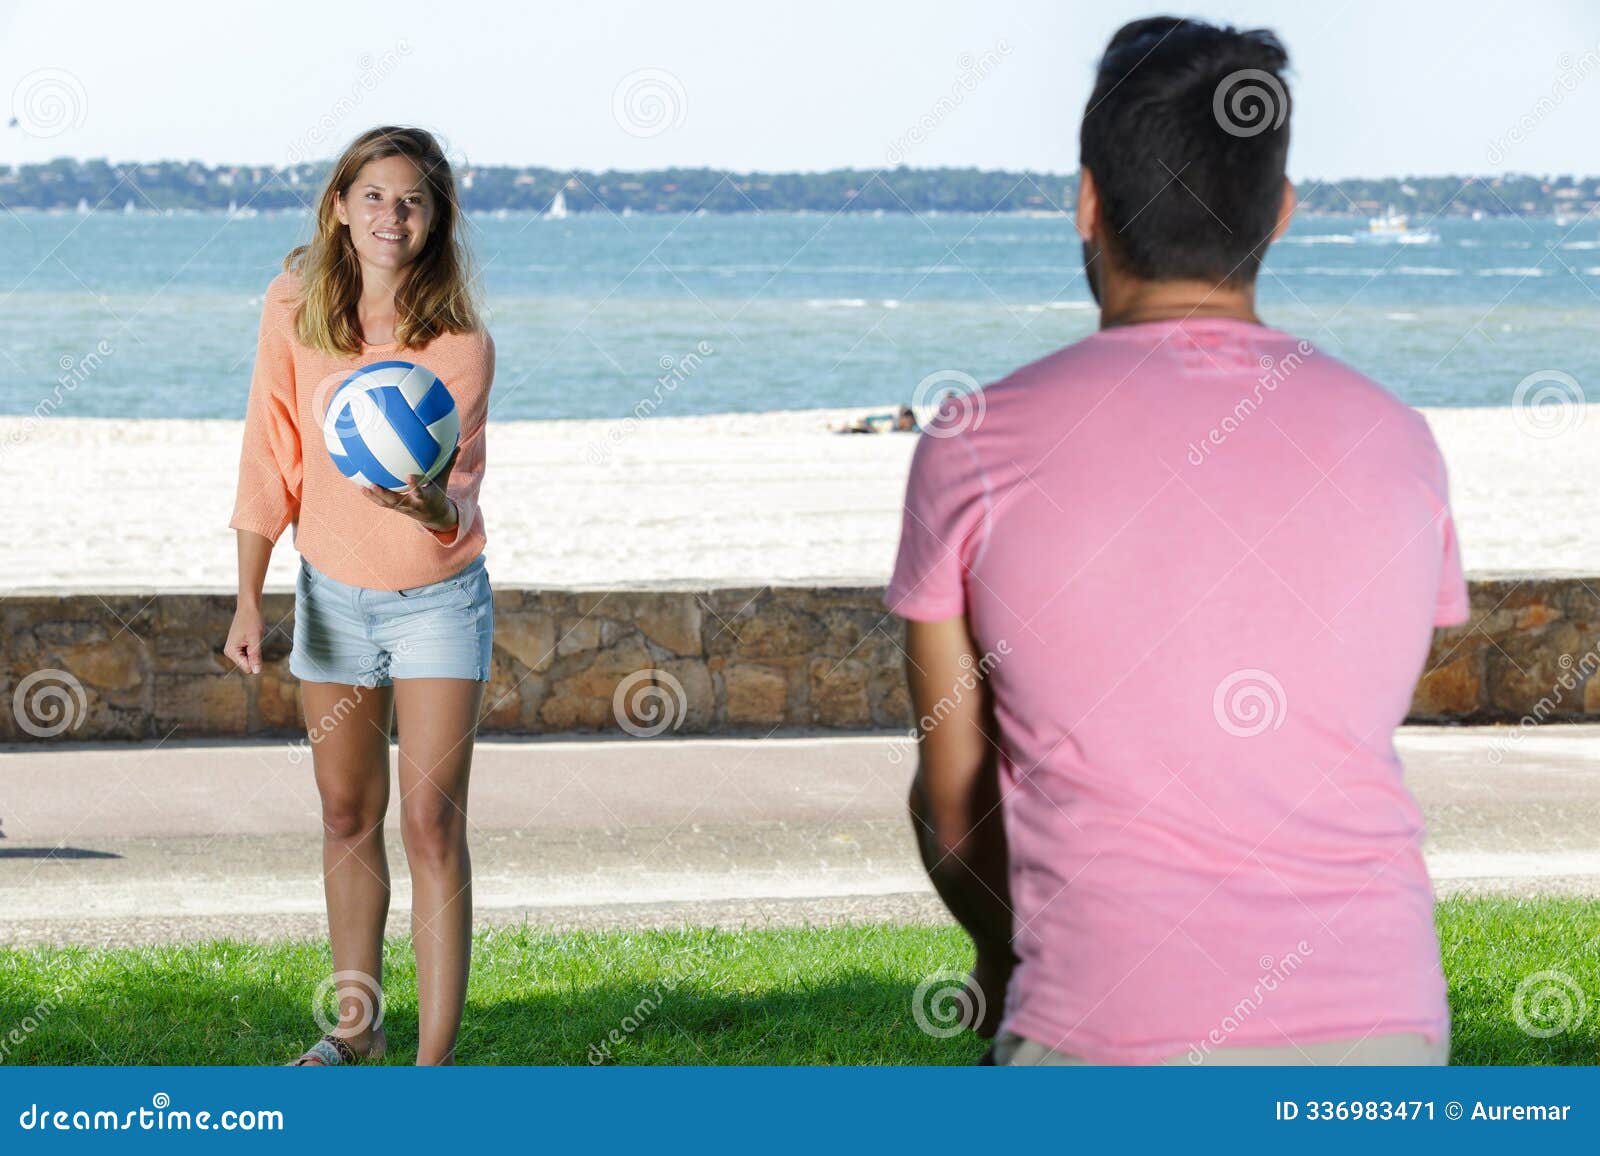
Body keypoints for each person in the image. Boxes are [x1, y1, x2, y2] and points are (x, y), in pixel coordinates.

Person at [887, 18, 1468, 1066]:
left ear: (1088, 204)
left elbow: (952, 794)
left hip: (1103, 1034)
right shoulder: (1398, 439)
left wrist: (1002, 957)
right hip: (1384, 1029)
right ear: (1280, 213)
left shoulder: (975, 440)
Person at [222, 125, 496, 1066]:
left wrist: (430, 508)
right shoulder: (293, 305)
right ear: (340, 206)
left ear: (436, 220)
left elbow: (458, 503)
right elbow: (271, 455)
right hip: (333, 597)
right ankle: (357, 1033)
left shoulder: (459, 344)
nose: (393, 216)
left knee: (429, 821)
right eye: (374, 196)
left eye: (413, 200)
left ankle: (432, 1068)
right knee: (345, 814)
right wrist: (250, 597)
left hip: (436, 604)